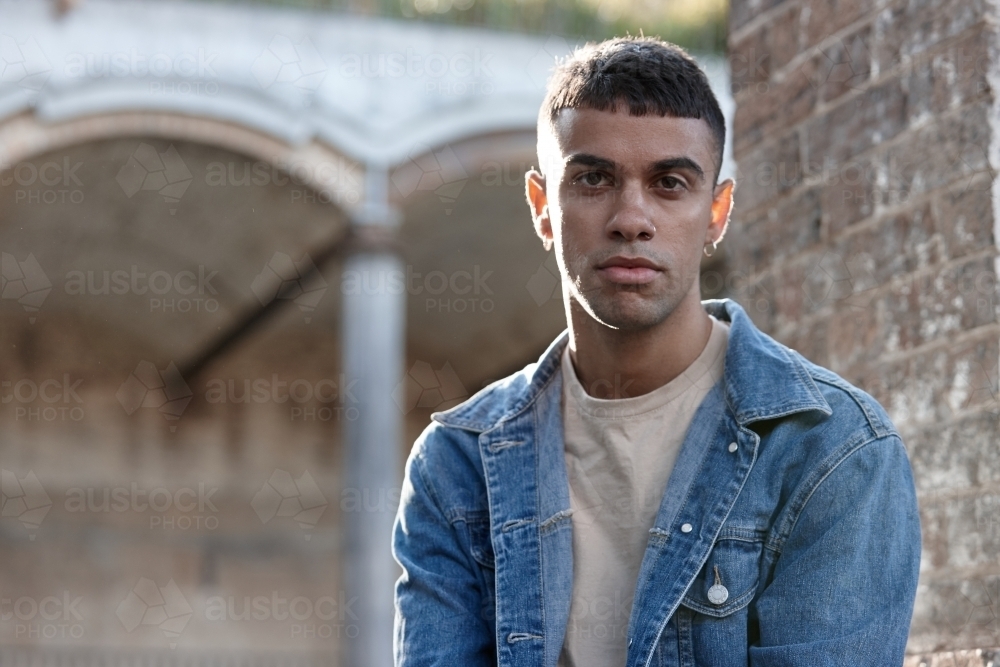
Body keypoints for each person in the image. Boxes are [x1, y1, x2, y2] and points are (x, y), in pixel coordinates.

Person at [392, 36, 921, 667]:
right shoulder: (456, 464)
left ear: (717, 212)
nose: (631, 218)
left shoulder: (831, 451)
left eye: (670, 183)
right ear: (541, 206)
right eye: (593, 179)